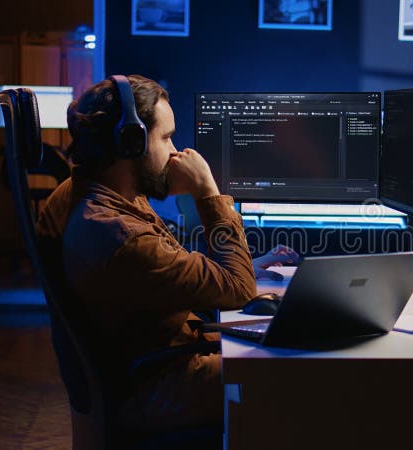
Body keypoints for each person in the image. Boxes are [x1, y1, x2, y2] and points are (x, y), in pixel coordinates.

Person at [36, 74, 295, 429]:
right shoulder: (117, 235)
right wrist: (206, 191)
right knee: (302, 373)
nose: (176, 152)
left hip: (151, 366)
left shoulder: (93, 194)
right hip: (159, 386)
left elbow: (165, 269)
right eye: (167, 137)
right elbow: (237, 290)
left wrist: (243, 266)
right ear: (131, 143)